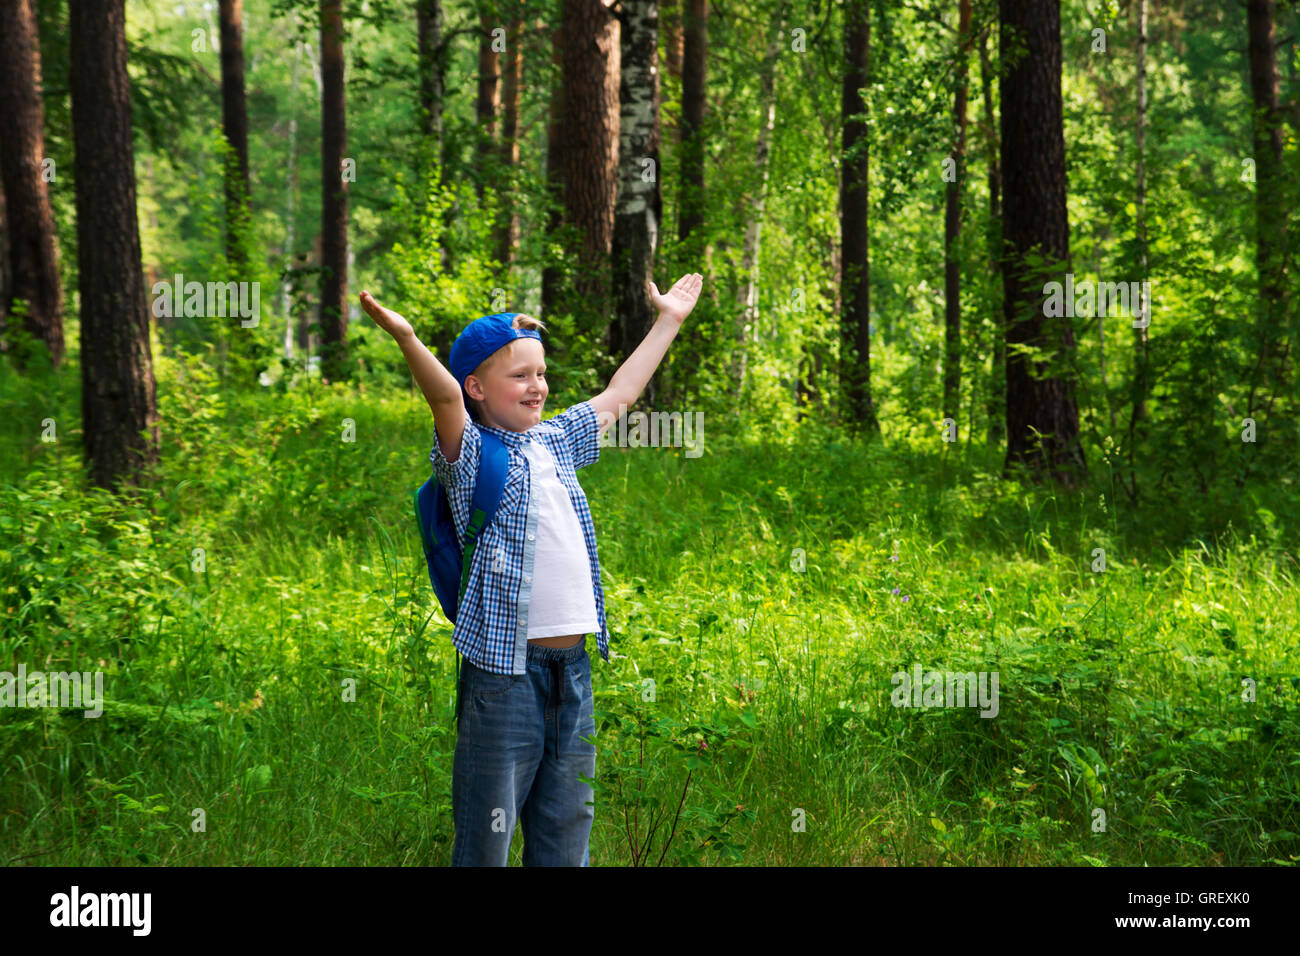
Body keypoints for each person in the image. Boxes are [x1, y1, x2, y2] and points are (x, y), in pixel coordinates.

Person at [358, 273, 703, 866]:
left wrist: (667, 319)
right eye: (520, 376)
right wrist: (408, 339)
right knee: (486, 836)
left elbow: (621, 393)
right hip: (504, 674)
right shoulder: (471, 455)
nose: (537, 385)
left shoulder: (557, 440)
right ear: (477, 387)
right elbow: (443, 400)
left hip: (574, 672)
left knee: (566, 828)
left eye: (541, 373)